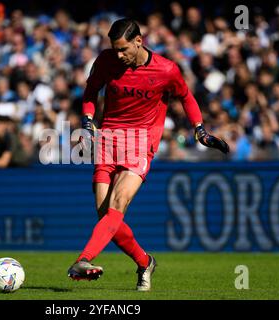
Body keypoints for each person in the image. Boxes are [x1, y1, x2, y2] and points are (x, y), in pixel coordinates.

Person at [67, 18, 229, 291]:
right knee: (106, 217)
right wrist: (87, 119)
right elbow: (91, 91)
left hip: (141, 143)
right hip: (108, 140)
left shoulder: (166, 69)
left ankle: (84, 259)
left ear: (138, 41)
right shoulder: (107, 61)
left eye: (123, 49)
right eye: (114, 49)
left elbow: (186, 96)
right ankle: (145, 262)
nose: (119, 55)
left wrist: (199, 129)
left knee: (117, 205)